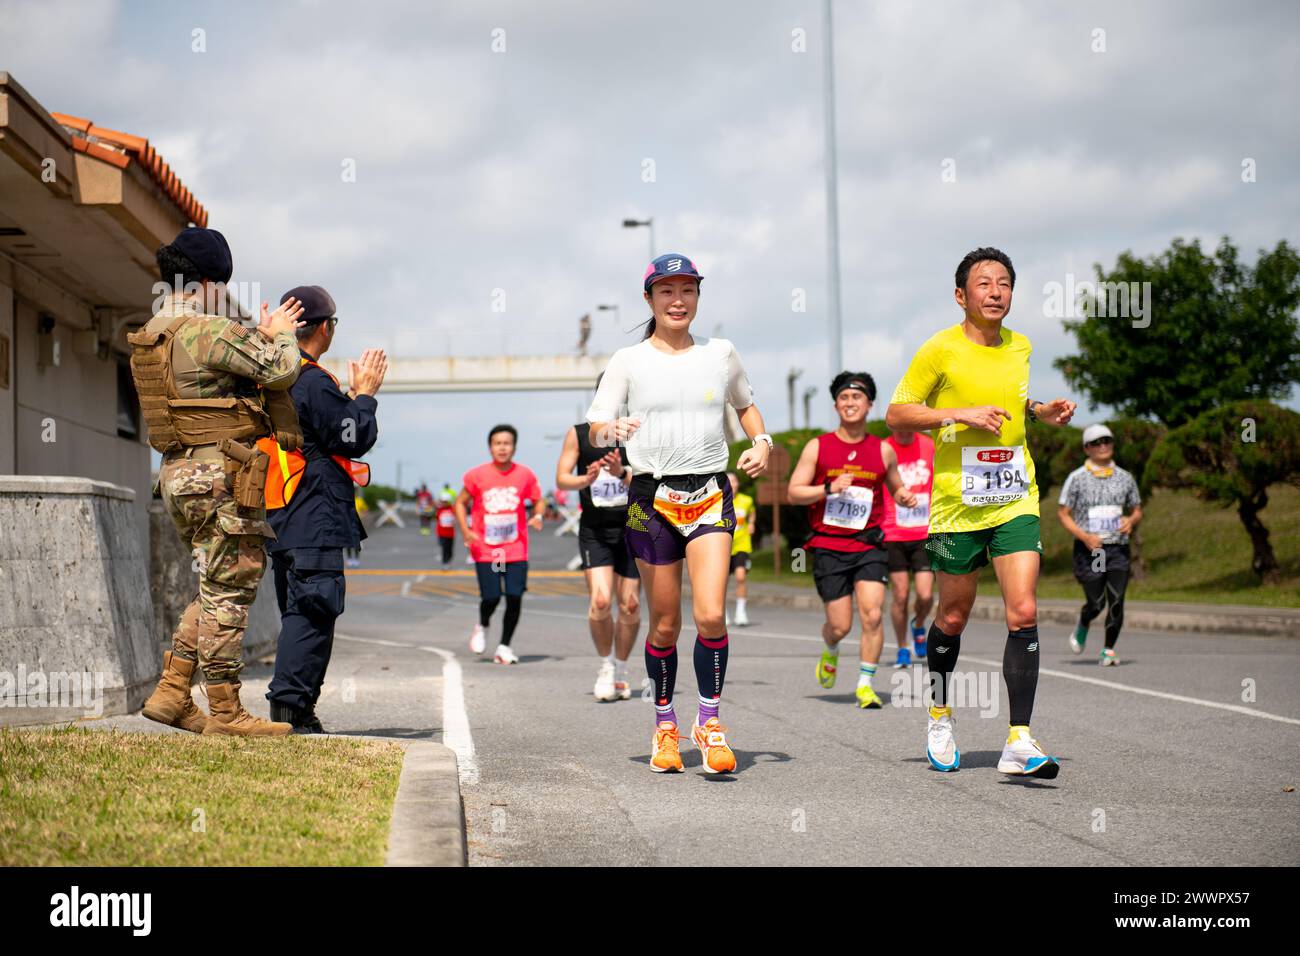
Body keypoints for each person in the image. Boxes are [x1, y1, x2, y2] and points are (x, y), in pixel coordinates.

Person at [886, 247, 1076, 777]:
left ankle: (1018, 740)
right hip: (956, 504)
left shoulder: (1021, 346)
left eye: (1004, 284)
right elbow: (898, 411)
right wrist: (957, 413)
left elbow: (1010, 403)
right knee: (952, 616)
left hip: (1016, 493)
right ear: (960, 295)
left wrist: (1040, 411)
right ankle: (941, 714)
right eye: (984, 283)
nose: (995, 292)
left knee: (1023, 611)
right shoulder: (939, 349)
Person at [587, 253, 772, 774]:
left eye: (687, 290)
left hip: (710, 492)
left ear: (697, 297)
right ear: (649, 299)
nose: (677, 300)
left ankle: (709, 722)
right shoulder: (629, 360)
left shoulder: (721, 353)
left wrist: (761, 440)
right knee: (665, 623)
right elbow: (596, 424)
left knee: (710, 615)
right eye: (666, 291)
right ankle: (664, 725)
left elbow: (745, 404)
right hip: (651, 499)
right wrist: (612, 433)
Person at [131, 227, 304, 737]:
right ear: (206, 282)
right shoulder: (207, 330)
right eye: (221, 288)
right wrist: (280, 332)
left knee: (214, 584)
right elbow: (280, 371)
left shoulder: (152, 334)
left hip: (178, 476)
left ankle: (170, 693)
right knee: (233, 587)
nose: (224, 297)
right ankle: (227, 713)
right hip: (218, 476)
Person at [264, 285, 385, 733]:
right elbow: (352, 436)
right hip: (313, 512)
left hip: (280, 510)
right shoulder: (310, 379)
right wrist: (365, 394)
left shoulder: (269, 376)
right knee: (314, 607)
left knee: (298, 607)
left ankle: (293, 706)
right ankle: (292, 709)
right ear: (324, 329)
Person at [787, 372, 918, 709]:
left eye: (856, 398)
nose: (850, 403)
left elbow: (895, 484)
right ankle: (830, 647)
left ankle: (865, 684)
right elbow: (794, 493)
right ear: (836, 405)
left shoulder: (883, 450)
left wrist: (903, 496)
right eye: (844, 398)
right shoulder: (819, 446)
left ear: (869, 405)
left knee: (873, 615)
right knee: (841, 625)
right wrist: (828, 488)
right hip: (829, 546)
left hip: (869, 544)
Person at [555, 402, 641, 702]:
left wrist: (622, 473)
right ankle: (606, 665)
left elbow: (652, 481)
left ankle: (621, 668)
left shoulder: (639, 433)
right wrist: (585, 480)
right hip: (596, 531)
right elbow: (562, 478)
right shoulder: (579, 434)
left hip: (634, 528)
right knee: (601, 601)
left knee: (629, 605)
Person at [455, 425, 545, 664]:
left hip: (515, 548)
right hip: (489, 550)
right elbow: (460, 503)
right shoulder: (477, 475)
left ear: (514, 447)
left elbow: (538, 501)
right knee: (493, 596)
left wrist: (538, 516)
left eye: (507, 443)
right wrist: (466, 530)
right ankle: (482, 624)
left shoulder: (524, 474)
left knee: (514, 596)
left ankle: (504, 646)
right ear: (490, 447)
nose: (502, 448)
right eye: (498, 443)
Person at [1058, 424, 1143, 665]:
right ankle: (1084, 621)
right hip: (1091, 550)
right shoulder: (1076, 478)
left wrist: (1131, 520)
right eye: (1096, 442)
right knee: (1097, 603)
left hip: (1117, 547)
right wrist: (1085, 536)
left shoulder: (1125, 478)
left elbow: (1137, 509)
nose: (1103, 446)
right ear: (1087, 448)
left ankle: (1108, 649)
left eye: (1107, 441)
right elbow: (1063, 513)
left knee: (1116, 599)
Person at [882, 425, 936, 667]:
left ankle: (917, 624)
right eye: (898, 426)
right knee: (900, 595)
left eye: (908, 425)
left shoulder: (929, 445)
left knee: (925, 596)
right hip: (892, 532)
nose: (903, 431)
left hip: (924, 532)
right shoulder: (883, 449)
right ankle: (902, 647)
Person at [727, 473, 756, 627]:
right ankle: (722, 612)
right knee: (721, 582)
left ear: (738, 483)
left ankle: (741, 612)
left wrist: (751, 524)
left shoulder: (747, 500)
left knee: (740, 577)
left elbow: (752, 513)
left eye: (734, 481)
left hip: (742, 544)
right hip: (723, 547)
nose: (731, 484)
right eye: (728, 481)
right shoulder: (718, 501)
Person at [434, 487, 457, 568]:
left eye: (445, 502)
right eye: (443, 502)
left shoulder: (453, 509)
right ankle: (445, 562)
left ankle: (449, 560)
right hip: (442, 533)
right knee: (444, 548)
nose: (444, 503)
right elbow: (437, 518)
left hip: (450, 534)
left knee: (450, 549)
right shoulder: (439, 509)